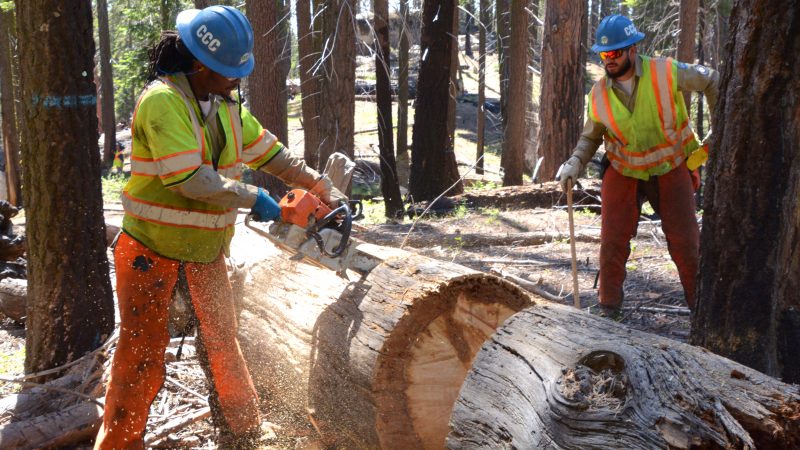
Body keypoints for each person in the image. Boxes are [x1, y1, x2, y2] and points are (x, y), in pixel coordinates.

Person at [94, 5, 346, 449]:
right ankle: (118, 444)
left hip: (205, 252)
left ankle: (244, 433)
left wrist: (319, 186)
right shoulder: (162, 102)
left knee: (223, 345)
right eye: (229, 71)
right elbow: (189, 179)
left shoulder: (226, 106)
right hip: (150, 251)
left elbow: (273, 155)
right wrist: (254, 197)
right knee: (141, 356)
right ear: (198, 64)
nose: (237, 79)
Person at [557, 14, 719, 317]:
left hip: (671, 166)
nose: (609, 60)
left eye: (616, 52)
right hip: (624, 168)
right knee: (612, 243)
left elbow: (712, 79)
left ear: (633, 49)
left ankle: (703, 315)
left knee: (686, 244)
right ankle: (609, 312)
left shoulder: (666, 72)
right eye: (604, 54)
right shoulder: (599, 94)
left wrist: (718, 130)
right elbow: (591, 137)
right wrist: (575, 161)